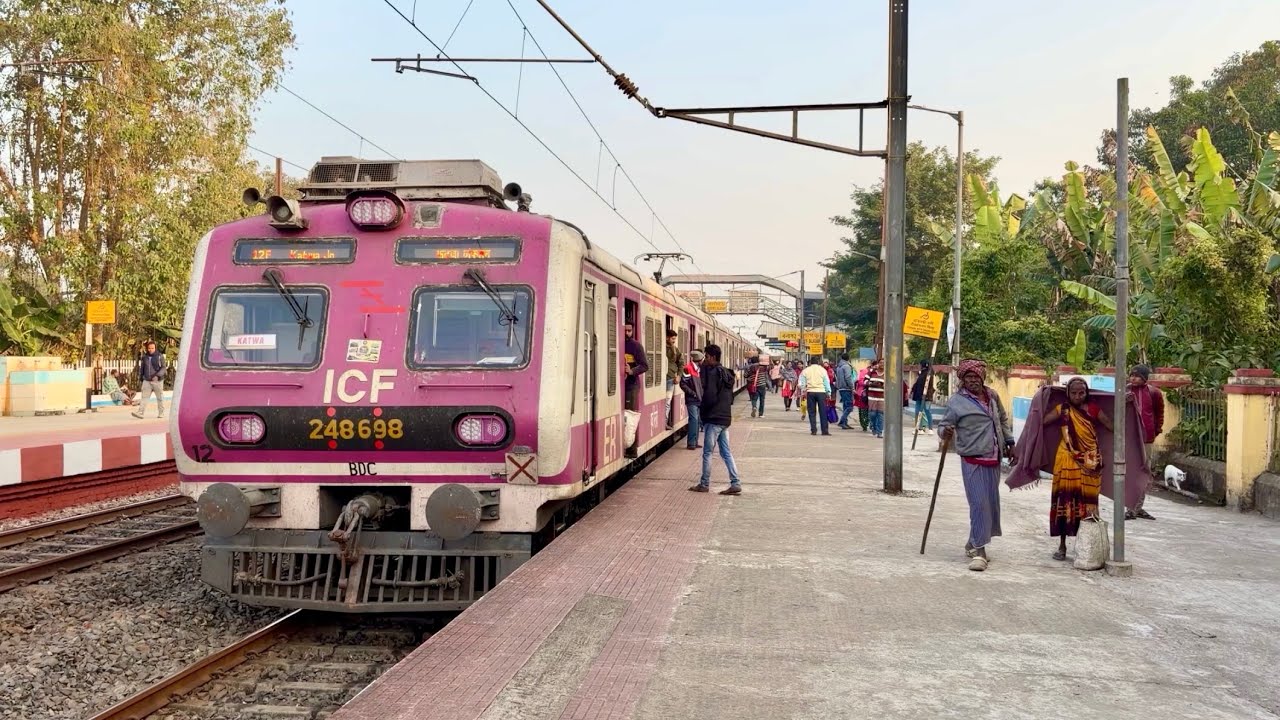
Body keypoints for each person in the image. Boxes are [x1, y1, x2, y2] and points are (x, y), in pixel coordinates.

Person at [936, 358, 1015, 572]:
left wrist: (1010, 442)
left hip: (994, 457)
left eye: (976, 377)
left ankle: (972, 541)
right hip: (972, 458)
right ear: (963, 379)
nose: (973, 381)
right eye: (968, 377)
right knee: (979, 504)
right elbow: (943, 426)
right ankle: (980, 551)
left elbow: (1002, 419)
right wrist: (946, 432)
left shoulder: (992, 396)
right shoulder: (956, 402)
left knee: (989, 503)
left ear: (982, 377)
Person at [1042, 378, 1113, 561]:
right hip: (1066, 457)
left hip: (1090, 460)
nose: (1077, 396)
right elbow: (1042, 421)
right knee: (1064, 501)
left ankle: (1087, 547)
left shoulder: (1094, 410)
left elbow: (1111, 426)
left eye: (1081, 393)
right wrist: (1041, 398)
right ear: (1068, 393)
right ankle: (1062, 546)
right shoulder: (1062, 409)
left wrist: (1124, 409)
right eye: (1073, 393)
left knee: (1089, 503)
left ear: (1086, 393)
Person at [690, 344, 742, 495]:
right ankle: (735, 482)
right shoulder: (726, 373)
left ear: (712, 357)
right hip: (725, 418)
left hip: (713, 418)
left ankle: (704, 484)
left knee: (707, 452)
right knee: (726, 452)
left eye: (706, 356)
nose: (704, 359)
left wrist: (703, 412)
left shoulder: (713, 373)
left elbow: (710, 397)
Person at [1127, 365, 1164, 520]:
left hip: (1146, 437)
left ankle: (1136, 507)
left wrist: (1156, 430)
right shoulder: (1125, 391)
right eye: (1132, 375)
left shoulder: (1154, 393)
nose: (1133, 378)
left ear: (1144, 378)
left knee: (1143, 471)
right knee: (1130, 472)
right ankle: (1131, 506)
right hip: (1129, 437)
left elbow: (1159, 413)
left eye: (1137, 376)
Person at [798, 357, 832, 436]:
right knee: (823, 412)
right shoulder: (822, 370)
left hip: (810, 392)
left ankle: (813, 430)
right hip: (821, 392)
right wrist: (828, 392)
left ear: (810, 363)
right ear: (818, 362)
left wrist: (803, 390)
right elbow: (827, 382)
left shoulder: (805, 371)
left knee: (812, 412)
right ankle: (824, 431)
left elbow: (801, 383)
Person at [133, 341, 167, 419]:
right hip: (147, 381)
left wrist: (158, 376)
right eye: (149, 348)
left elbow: (163, 368)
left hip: (157, 381)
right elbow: (142, 368)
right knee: (144, 397)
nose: (150, 350)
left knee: (160, 398)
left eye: (152, 348)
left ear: (155, 348)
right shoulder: (144, 357)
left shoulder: (160, 356)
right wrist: (141, 377)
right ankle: (140, 412)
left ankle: (161, 413)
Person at [680, 350, 704, 449]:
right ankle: (691, 443)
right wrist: (693, 393)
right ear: (699, 360)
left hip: (698, 399)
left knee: (697, 420)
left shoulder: (698, 369)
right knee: (694, 419)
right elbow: (683, 384)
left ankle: (695, 441)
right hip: (692, 399)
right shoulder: (687, 369)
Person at [622, 321, 648, 412]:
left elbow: (644, 366)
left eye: (629, 331)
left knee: (629, 413)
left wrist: (631, 371)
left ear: (632, 331)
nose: (626, 333)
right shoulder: (617, 343)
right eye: (624, 330)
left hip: (631, 385)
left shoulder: (636, 346)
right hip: (618, 386)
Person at [664, 330, 683, 430]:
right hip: (661, 379)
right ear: (667, 337)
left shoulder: (675, 350)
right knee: (664, 401)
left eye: (674, 339)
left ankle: (665, 422)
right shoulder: (661, 347)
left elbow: (681, 363)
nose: (674, 341)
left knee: (667, 401)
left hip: (670, 379)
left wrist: (679, 375)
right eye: (672, 339)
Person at [911, 360, 936, 433]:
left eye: (919, 364)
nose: (919, 366)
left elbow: (928, 385)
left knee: (927, 411)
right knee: (917, 412)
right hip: (918, 396)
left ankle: (930, 428)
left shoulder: (929, 374)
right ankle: (919, 428)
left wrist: (925, 394)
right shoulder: (921, 374)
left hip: (926, 396)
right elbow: (917, 384)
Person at [835, 353, 856, 429]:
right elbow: (848, 377)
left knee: (845, 406)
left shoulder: (839, 366)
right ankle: (842, 421)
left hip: (841, 388)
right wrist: (852, 387)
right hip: (846, 388)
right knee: (849, 406)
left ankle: (845, 423)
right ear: (848, 358)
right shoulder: (847, 366)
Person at [866, 360, 886, 438]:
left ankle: (879, 432)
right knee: (872, 414)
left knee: (880, 414)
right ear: (878, 364)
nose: (882, 364)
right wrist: (872, 384)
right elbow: (864, 381)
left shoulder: (887, 374)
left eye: (884, 363)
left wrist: (883, 385)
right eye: (881, 363)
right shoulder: (872, 372)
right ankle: (873, 426)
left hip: (882, 397)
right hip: (871, 397)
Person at [854, 364, 870, 431]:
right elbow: (860, 382)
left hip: (863, 393)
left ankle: (865, 424)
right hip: (862, 393)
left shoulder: (864, 372)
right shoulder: (864, 371)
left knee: (864, 410)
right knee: (863, 410)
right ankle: (864, 424)